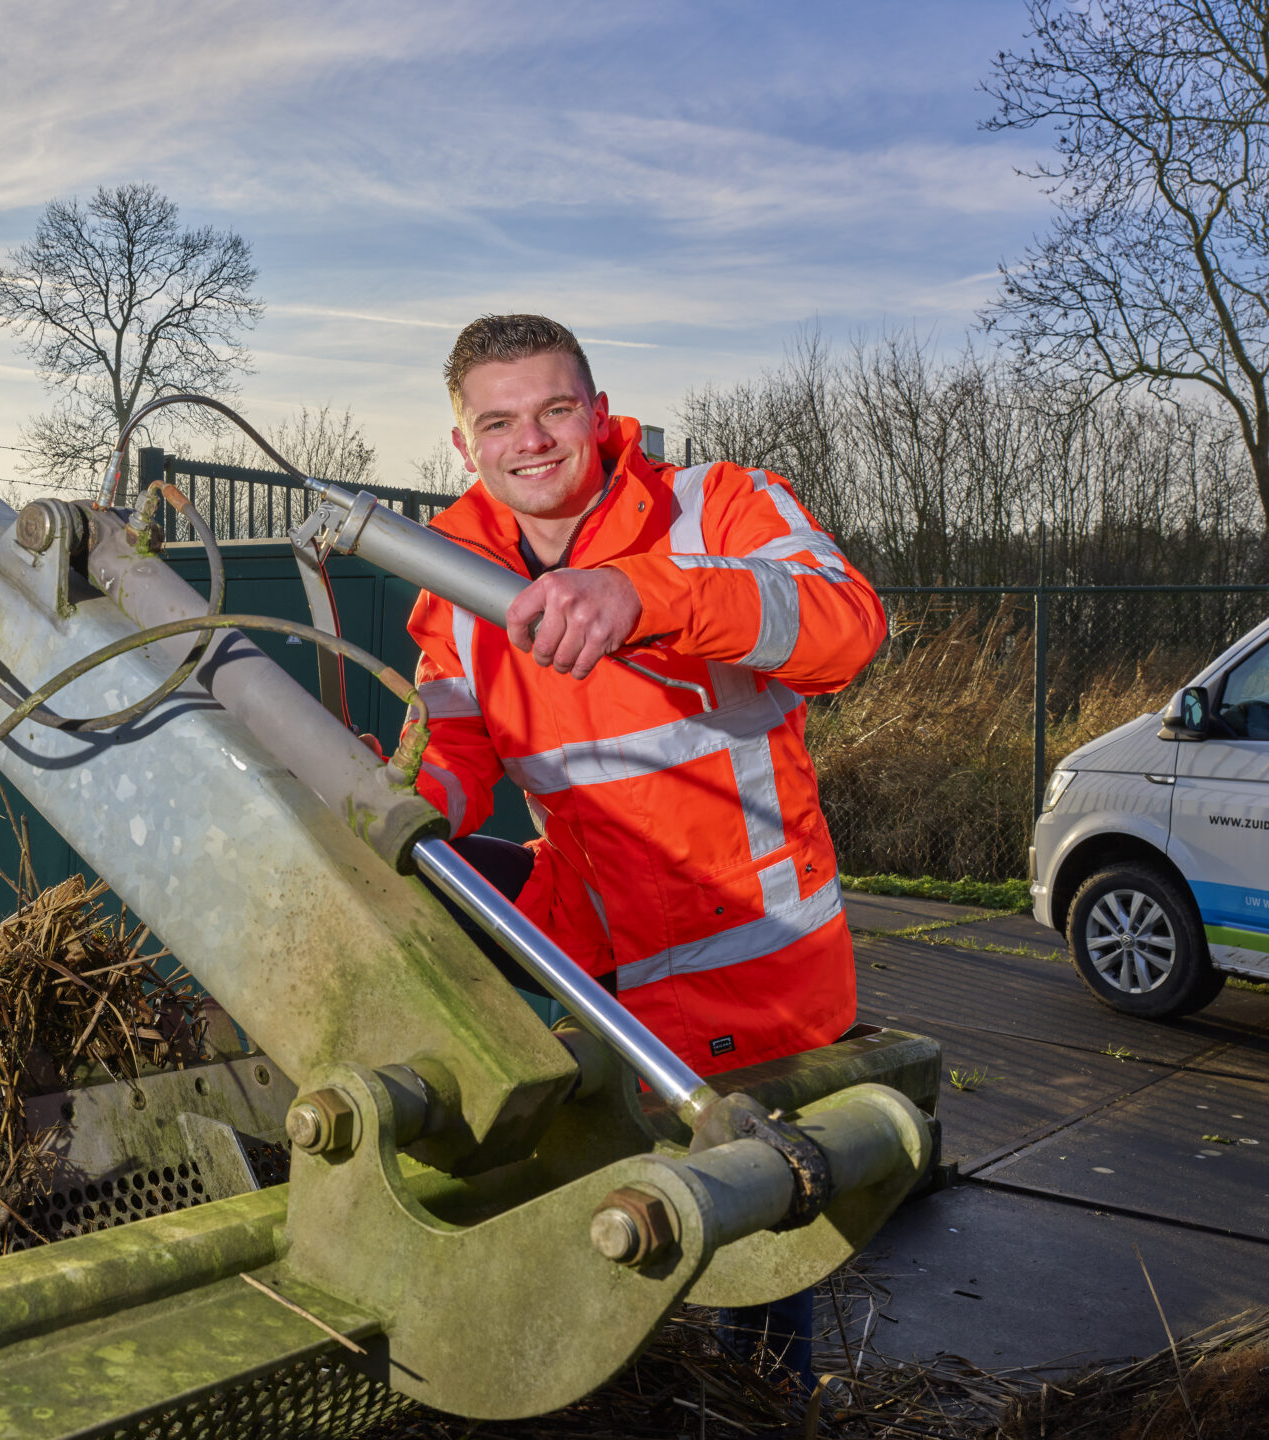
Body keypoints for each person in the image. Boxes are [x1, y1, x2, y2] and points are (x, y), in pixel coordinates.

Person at [400, 314, 886, 1389]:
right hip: (597, 972)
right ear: (464, 443)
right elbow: (454, 753)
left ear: (597, 412)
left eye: (554, 410)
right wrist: (388, 794)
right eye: (499, 421)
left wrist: (644, 594)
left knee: (763, 1266)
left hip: (759, 977)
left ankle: (765, 1401)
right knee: (608, 1247)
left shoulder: (715, 507)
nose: (530, 440)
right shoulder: (452, 575)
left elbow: (848, 627)